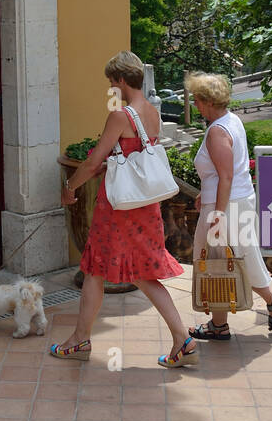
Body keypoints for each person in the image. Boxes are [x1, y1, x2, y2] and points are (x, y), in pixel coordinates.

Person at [53, 50, 197, 367]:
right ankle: (181, 340)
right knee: (144, 274)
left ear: (120, 79)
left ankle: (79, 340)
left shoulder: (121, 115)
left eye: (111, 81)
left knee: (93, 269)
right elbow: (135, 156)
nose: (111, 88)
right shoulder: (152, 113)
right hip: (144, 207)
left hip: (117, 209)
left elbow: (92, 162)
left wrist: (69, 188)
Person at [185, 71, 272, 341]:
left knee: (216, 261)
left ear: (206, 101)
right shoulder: (232, 121)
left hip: (226, 205)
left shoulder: (217, 131)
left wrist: (217, 213)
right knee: (238, 256)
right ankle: (266, 303)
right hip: (236, 200)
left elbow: (225, 175)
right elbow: (225, 174)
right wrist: (206, 194)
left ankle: (222, 323)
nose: (195, 104)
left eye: (196, 99)